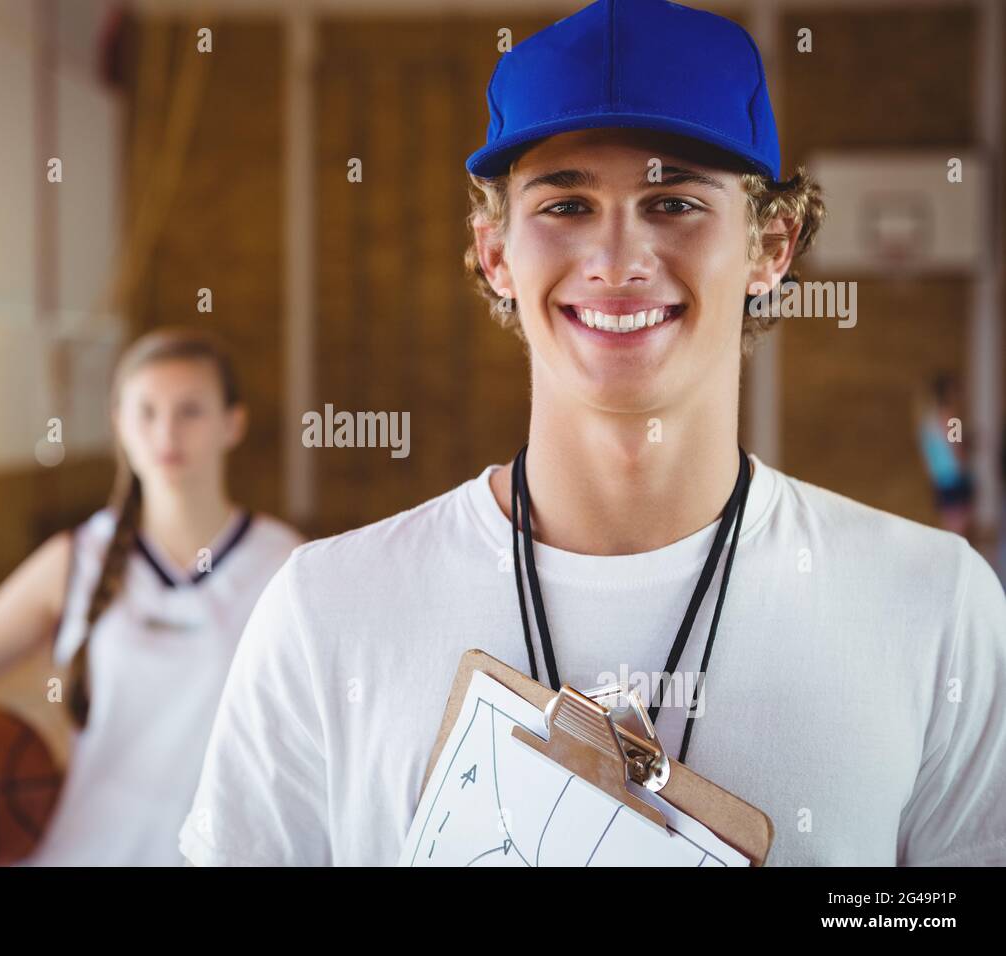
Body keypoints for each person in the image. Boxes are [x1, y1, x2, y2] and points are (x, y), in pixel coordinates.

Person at [178, 0, 1006, 866]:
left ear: (772, 245)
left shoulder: (935, 606)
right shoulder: (324, 613)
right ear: (496, 253)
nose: (618, 259)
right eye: (567, 205)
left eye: (675, 200)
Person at [0, 327, 304, 865]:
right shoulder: (74, 560)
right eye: (146, 411)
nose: (167, 431)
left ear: (232, 423)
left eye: (190, 410)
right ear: (120, 424)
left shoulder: (287, 565)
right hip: (80, 850)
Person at [914, 372, 976, 536]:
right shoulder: (951, 418)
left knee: (948, 527)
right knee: (957, 530)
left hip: (940, 479)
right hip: (954, 478)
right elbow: (957, 449)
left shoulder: (927, 419)